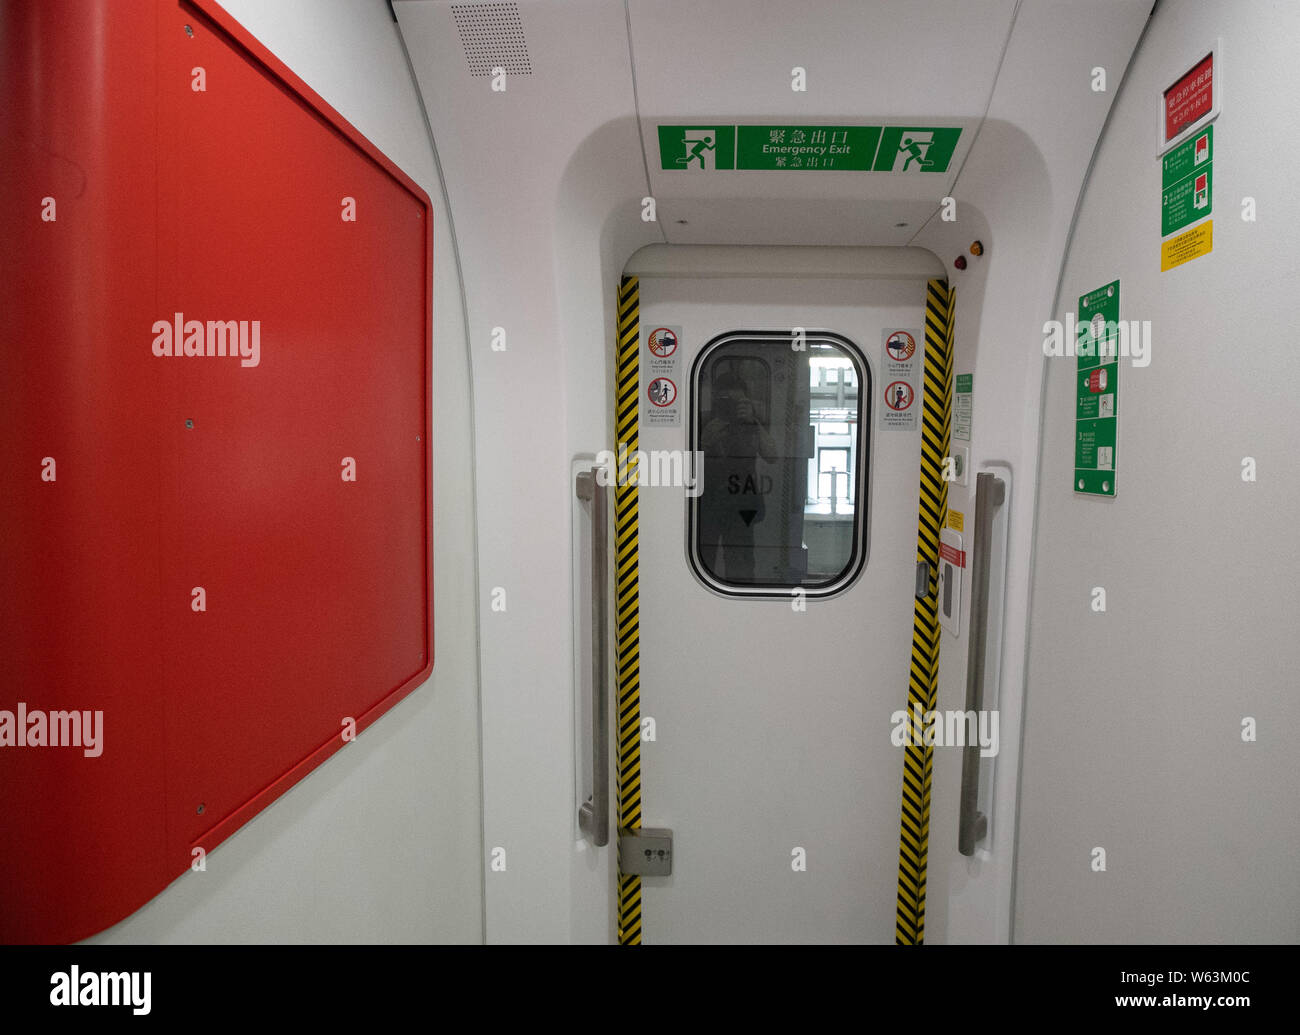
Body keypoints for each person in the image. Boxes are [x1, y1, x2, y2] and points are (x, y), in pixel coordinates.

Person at [697, 372, 777, 583]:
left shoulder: (753, 423)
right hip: (707, 502)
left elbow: (772, 456)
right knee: (703, 560)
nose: (730, 407)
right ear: (715, 400)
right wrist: (704, 442)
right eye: (725, 401)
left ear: (746, 401)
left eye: (737, 402)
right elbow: (685, 465)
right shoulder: (703, 421)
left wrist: (753, 422)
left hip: (742, 503)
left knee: (741, 563)